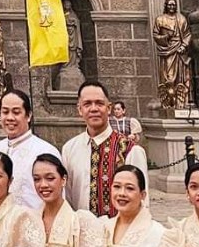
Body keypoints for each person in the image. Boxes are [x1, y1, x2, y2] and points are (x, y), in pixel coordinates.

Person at [62, 80, 148, 218]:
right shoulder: (69, 149)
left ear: (108, 108)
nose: (94, 108)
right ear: (80, 109)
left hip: (118, 235)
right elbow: (67, 197)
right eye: (87, 104)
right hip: (81, 233)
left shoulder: (130, 150)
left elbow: (143, 203)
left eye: (99, 103)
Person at [0, 88, 60, 211]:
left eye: (16, 112)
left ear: (29, 115)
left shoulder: (45, 151)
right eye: (5, 112)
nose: (10, 117)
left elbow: (56, 200)